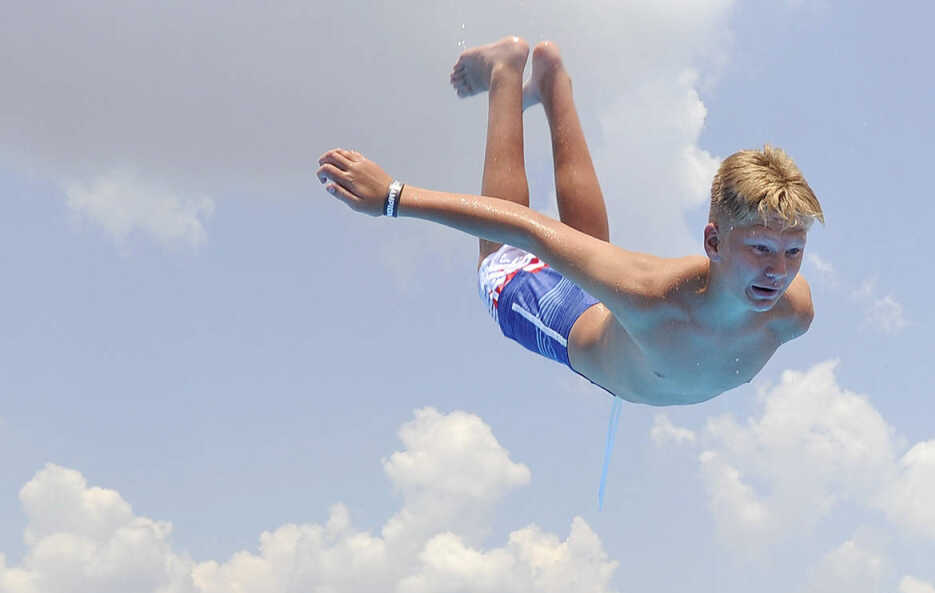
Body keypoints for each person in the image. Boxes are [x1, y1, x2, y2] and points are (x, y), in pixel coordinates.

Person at [317, 36, 820, 410]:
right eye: (760, 249)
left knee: (586, 247)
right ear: (713, 240)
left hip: (612, 309)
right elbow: (524, 225)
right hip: (557, 313)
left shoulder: (792, 312)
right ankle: (506, 71)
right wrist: (392, 197)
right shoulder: (650, 298)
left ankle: (555, 83)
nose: (777, 271)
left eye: (792, 252)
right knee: (501, 261)